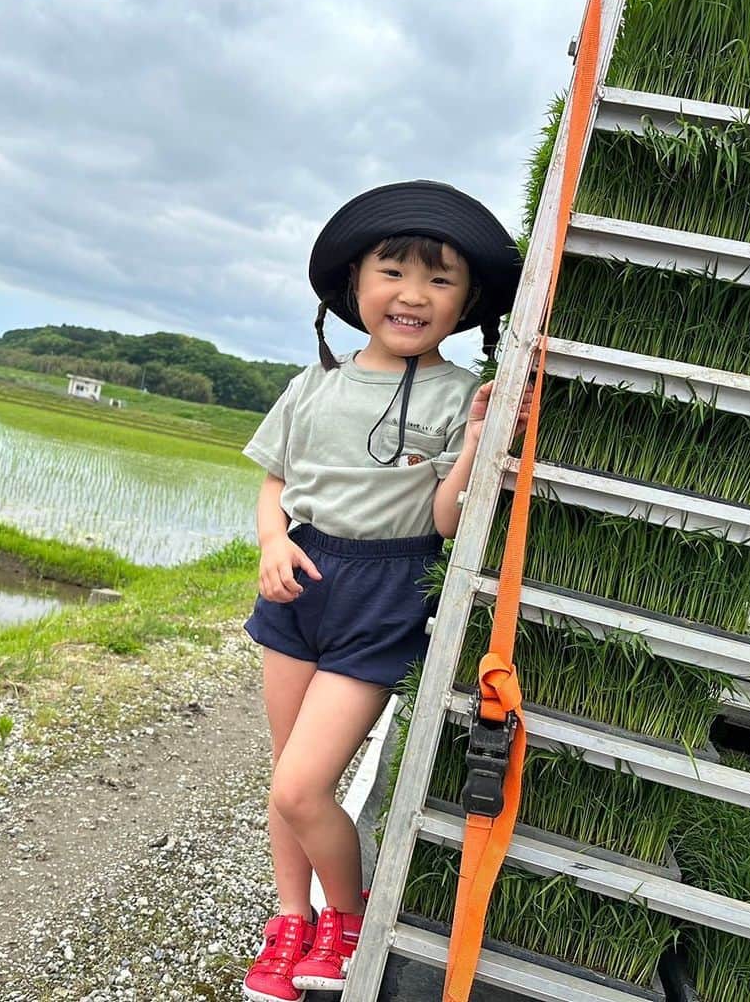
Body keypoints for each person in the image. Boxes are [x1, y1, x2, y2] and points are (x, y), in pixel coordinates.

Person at [240, 181, 527, 1001]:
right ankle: (289, 923)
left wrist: (474, 443)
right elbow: (276, 483)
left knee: (304, 785)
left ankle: (349, 916)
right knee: (285, 777)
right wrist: (270, 543)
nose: (412, 294)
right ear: (355, 285)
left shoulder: (455, 392)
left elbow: (441, 518)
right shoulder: (314, 384)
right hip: (303, 579)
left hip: (386, 589)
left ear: (468, 301)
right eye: (393, 271)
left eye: (439, 280)